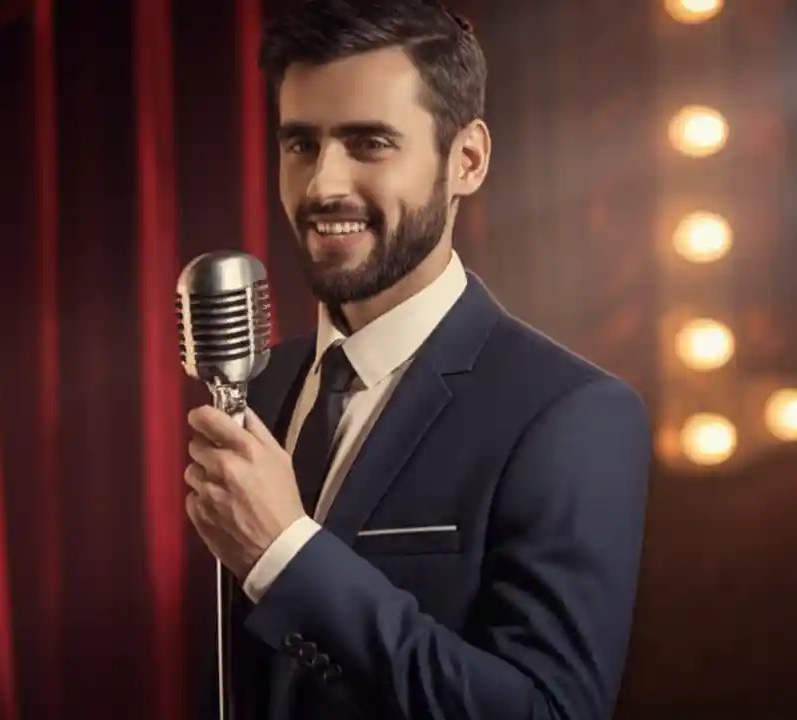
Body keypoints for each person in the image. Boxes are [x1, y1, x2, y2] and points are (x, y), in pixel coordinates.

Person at [182, 1, 651, 717]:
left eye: (368, 143)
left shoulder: (569, 413)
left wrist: (286, 554)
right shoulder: (258, 386)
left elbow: (548, 712)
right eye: (300, 145)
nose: (322, 186)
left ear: (466, 159)